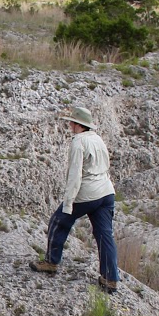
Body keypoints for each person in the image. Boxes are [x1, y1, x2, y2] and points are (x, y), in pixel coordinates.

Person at [32, 104, 119, 292]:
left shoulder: (78, 141)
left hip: (88, 193)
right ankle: (110, 279)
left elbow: (75, 175)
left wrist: (68, 202)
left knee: (58, 221)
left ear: (76, 124)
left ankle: (51, 262)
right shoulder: (98, 139)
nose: (70, 125)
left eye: (71, 122)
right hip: (106, 192)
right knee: (105, 235)